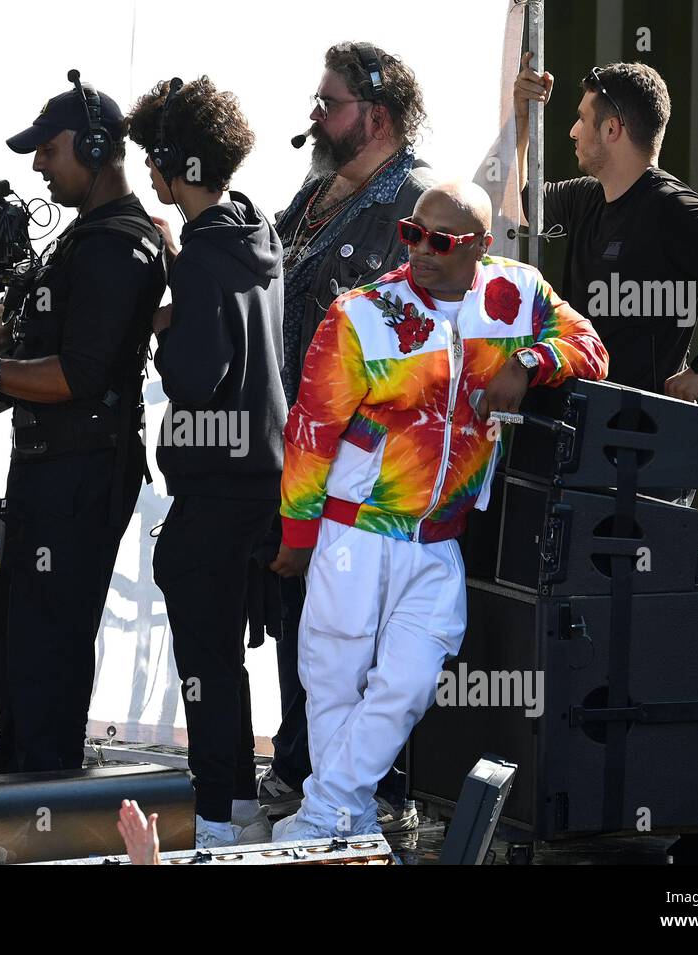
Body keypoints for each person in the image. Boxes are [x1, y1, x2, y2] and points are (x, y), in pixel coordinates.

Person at [269, 181, 609, 840]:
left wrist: (530, 362)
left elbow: (591, 348)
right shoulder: (362, 313)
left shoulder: (516, 295)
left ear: (481, 245)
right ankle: (342, 819)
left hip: (439, 537)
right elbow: (312, 427)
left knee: (410, 683)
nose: (421, 250)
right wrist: (298, 530)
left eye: (442, 241)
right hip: (354, 529)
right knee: (334, 682)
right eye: (412, 232)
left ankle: (325, 813)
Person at [0, 74, 166, 773]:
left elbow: (79, 374)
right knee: (17, 637)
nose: (38, 165)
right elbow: (28, 340)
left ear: (96, 146)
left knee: (47, 643)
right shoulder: (84, 238)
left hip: (82, 473)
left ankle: (46, 784)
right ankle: (20, 768)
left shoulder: (118, 244)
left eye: (48, 150)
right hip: (48, 470)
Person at [261, 40, 436, 833]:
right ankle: (302, 772)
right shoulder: (312, 197)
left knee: (357, 639)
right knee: (301, 626)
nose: (316, 114)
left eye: (329, 102)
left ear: (379, 115)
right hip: (300, 455)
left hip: (370, 473)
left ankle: (365, 796)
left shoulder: (421, 205)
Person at [127, 76, 285, 848]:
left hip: (214, 494)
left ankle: (218, 813)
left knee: (206, 658)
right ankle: (241, 800)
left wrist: (161, 317)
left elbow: (194, 375)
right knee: (228, 660)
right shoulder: (255, 233)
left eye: (154, 158)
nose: (147, 172)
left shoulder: (199, 263)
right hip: (265, 481)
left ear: (176, 164)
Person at [513, 55, 698, 399]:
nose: (573, 131)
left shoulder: (672, 207)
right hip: (577, 415)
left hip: (637, 434)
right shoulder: (585, 195)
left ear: (611, 129)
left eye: (582, 119)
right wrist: (521, 117)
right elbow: (516, 205)